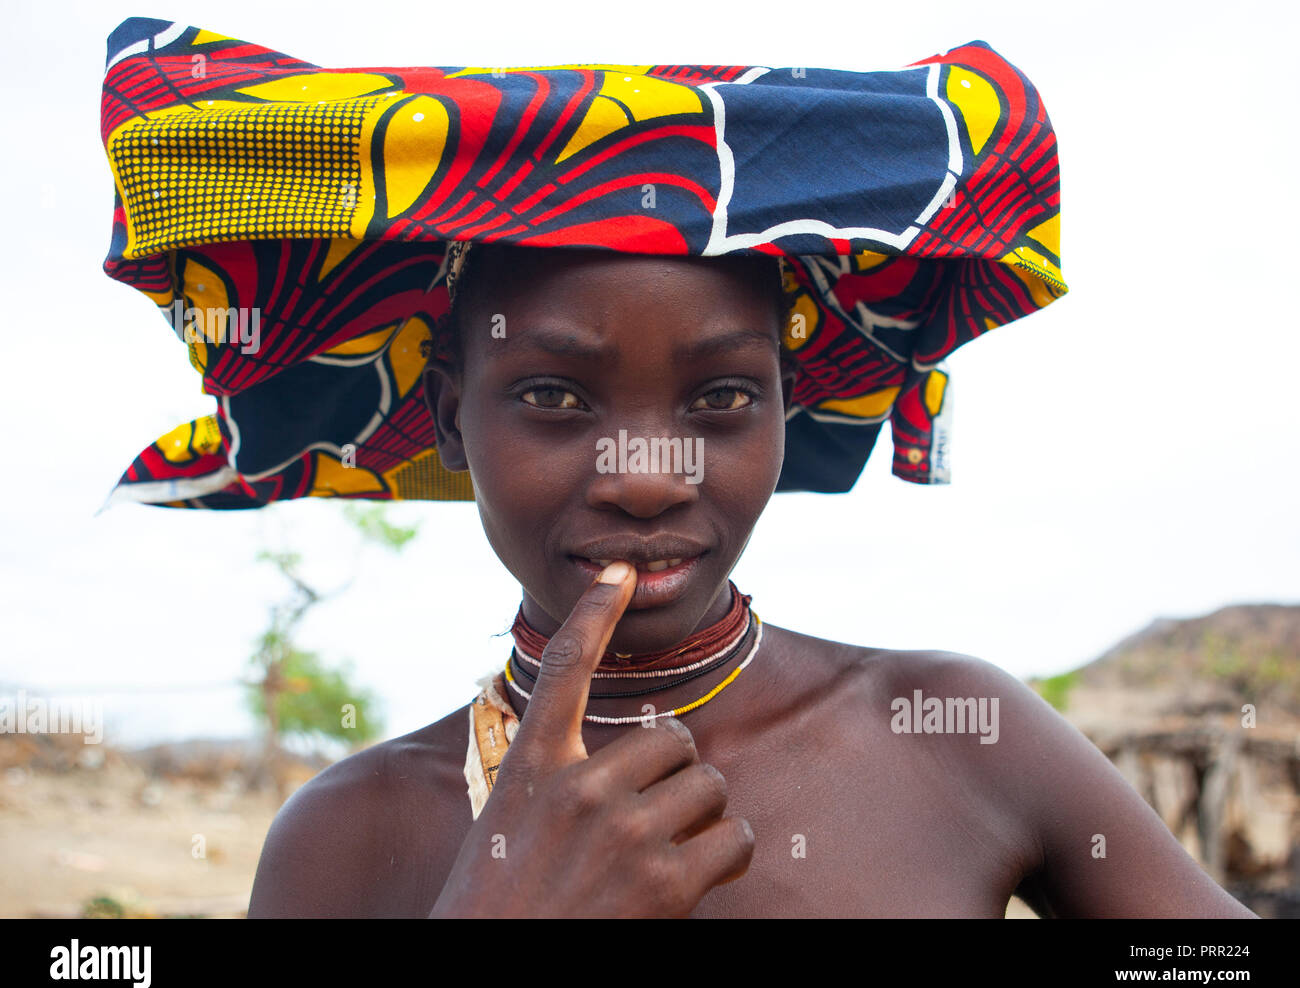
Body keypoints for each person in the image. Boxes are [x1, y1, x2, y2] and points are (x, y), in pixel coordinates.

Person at [246, 242, 1253, 917]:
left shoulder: (954, 731)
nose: (645, 479)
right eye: (552, 395)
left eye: (722, 395)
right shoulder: (347, 837)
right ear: (449, 416)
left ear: (782, 408)